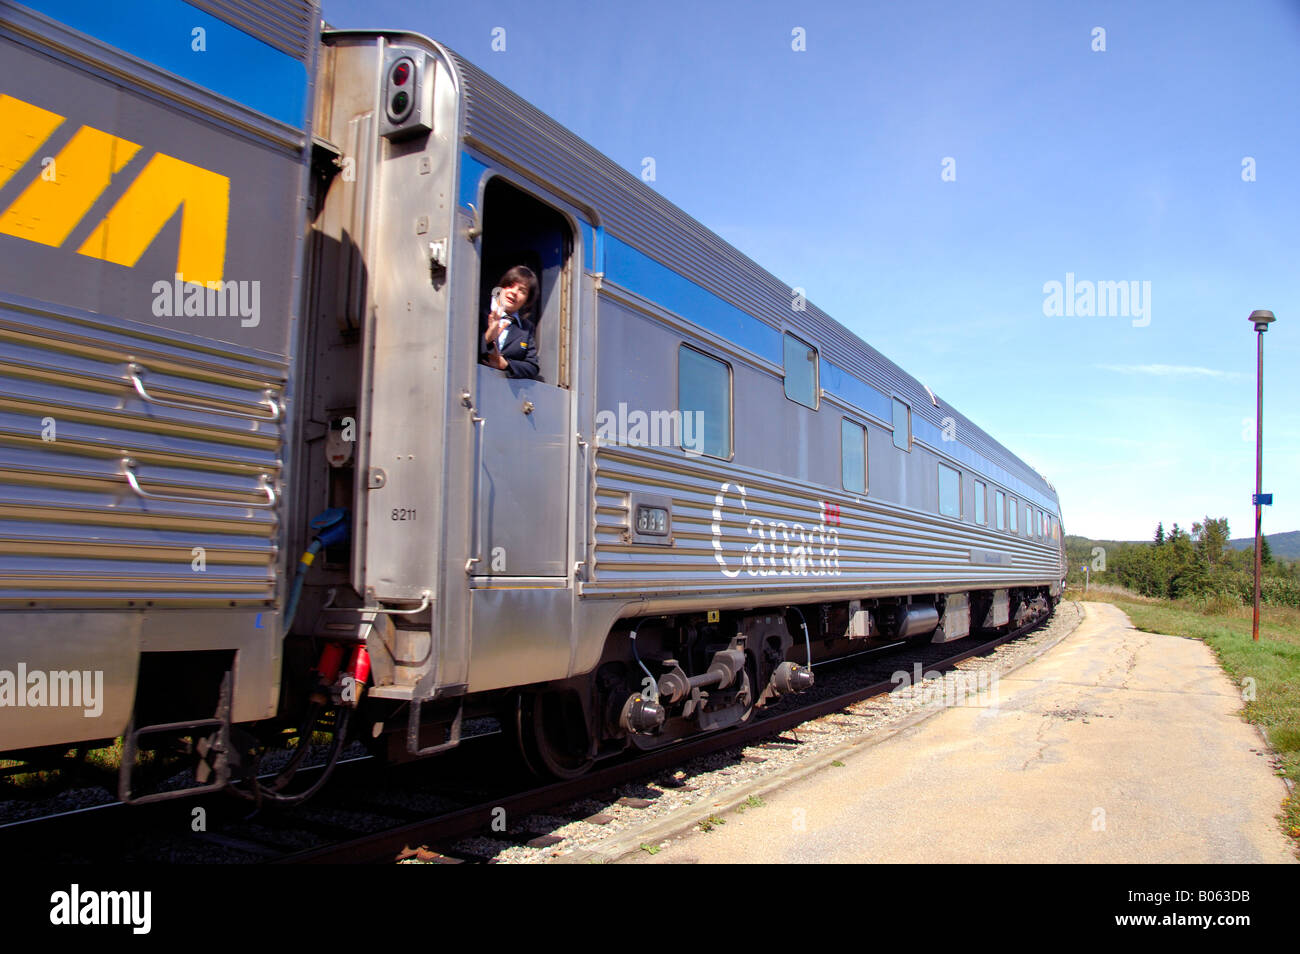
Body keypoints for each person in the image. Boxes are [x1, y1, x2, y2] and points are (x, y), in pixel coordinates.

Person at [480, 265, 540, 380]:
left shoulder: (526, 328)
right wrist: (488, 337)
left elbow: (532, 367)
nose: (513, 292)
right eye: (510, 285)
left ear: (527, 300)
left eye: (522, 291)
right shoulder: (481, 313)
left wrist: (505, 364)